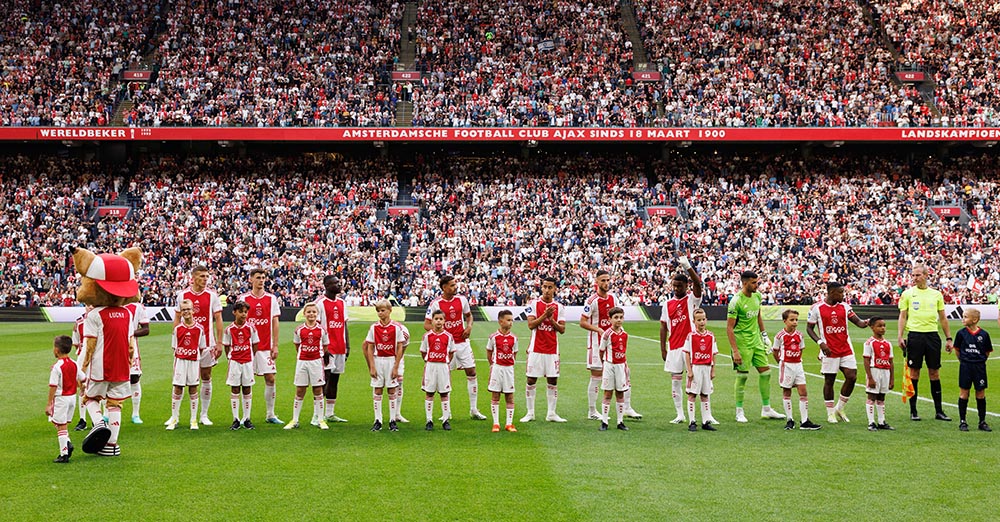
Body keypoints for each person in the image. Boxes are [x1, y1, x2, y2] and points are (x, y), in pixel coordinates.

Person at [581, 270, 641, 421]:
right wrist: (599, 330)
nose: (606, 283)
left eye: (608, 280)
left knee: (626, 371)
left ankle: (627, 408)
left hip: (614, 345)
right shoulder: (591, 301)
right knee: (596, 376)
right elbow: (582, 322)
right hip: (596, 344)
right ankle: (592, 410)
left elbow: (617, 318)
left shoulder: (613, 299)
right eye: (603, 280)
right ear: (596, 282)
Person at [726, 271, 785, 422]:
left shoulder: (757, 296)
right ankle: (739, 411)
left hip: (757, 340)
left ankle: (766, 409)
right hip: (742, 342)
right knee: (743, 376)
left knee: (766, 373)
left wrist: (764, 336)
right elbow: (730, 328)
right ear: (745, 283)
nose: (756, 285)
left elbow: (758, 316)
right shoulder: (736, 302)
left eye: (757, 282)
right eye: (753, 283)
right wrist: (735, 350)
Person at [807, 282, 869, 424]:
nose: (843, 295)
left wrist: (868, 322)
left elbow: (859, 323)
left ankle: (839, 408)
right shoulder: (817, 308)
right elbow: (809, 328)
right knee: (829, 381)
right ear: (831, 292)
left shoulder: (845, 307)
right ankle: (830, 413)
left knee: (852, 377)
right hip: (829, 350)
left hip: (846, 348)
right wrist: (820, 343)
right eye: (840, 292)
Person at [424, 275, 485, 420]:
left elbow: (469, 316)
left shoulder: (462, 300)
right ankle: (447, 412)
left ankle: (474, 409)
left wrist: (469, 327)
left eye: (455, 284)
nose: (455, 287)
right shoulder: (436, 304)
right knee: (446, 376)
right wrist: (441, 333)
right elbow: (426, 324)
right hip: (446, 347)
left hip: (463, 343)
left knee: (471, 372)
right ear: (444, 287)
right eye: (451, 285)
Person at [897, 264, 952, 421]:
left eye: (918, 275)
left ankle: (939, 411)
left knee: (934, 372)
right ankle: (913, 411)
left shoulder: (936, 294)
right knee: (914, 372)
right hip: (915, 336)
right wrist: (900, 336)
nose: (915, 278)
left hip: (932, 336)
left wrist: (948, 338)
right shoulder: (907, 294)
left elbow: (942, 317)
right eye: (913, 275)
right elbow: (902, 316)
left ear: (926, 275)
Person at [173, 266, 223, 426]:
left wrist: (219, 342)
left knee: (206, 376)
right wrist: (176, 340)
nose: (205, 279)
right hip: (187, 346)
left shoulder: (212, 296)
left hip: (207, 344)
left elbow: (218, 319)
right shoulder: (183, 295)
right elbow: (177, 318)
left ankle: (204, 414)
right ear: (193, 278)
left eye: (207, 276)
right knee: (180, 381)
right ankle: (175, 416)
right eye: (202, 276)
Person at [660, 256, 704, 424]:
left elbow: (698, 284)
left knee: (697, 381)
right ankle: (680, 414)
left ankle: (705, 414)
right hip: (674, 347)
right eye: (675, 286)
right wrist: (663, 348)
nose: (677, 288)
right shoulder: (667, 304)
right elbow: (663, 326)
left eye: (680, 286)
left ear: (687, 286)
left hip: (692, 346)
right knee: (675, 382)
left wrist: (688, 266)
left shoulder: (692, 299)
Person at [239, 268, 283, 424]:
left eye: (263, 277)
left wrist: (275, 345)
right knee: (246, 382)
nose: (261, 280)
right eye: (258, 277)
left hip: (265, 347)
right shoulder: (243, 298)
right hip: (247, 348)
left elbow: (275, 323)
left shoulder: (271, 299)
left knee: (270, 378)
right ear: (251, 279)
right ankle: (246, 416)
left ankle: (270, 414)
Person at [522, 276, 568, 423]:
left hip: (552, 349)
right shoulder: (534, 304)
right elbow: (531, 325)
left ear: (555, 289)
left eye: (550, 287)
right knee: (531, 379)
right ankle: (530, 413)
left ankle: (551, 413)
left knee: (553, 380)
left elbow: (562, 329)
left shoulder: (559, 307)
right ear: (541, 287)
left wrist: (552, 319)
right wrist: (545, 315)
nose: (547, 290)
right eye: (545, 287)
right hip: (535, 348)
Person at [771, 310, 821, 430]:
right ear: (785, 321)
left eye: (796, 320)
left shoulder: (799, 335)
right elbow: (775, 351)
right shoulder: (780, 336)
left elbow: (801, 349)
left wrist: (797, 358)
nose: (795, 322)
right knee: (787, 391)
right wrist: (781, 362)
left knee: (803, 391)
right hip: (786, 365)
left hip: (798, 365)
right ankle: (790, 420)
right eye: (792, 320)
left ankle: (804, 421)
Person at [363, 300, 406, 432]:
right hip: (378, 360)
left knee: (392, 390)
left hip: (390, 360)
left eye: (383, 310)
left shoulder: (396, 328)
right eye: (378, 311)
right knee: (377, 389)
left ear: (390, 310)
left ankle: (392, 420)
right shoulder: (374, 328)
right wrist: (372, 366)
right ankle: (378, 420)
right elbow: (369, 347)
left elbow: (400, 347)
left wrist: (396, 366)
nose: (380, 313)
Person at [285, 303, 329, 430]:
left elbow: (325, 346)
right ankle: (295, 420)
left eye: (314, 312)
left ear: (317, 314)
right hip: (302, 362)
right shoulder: (299, 330)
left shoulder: (321, 330)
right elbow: (297, 345)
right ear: (304, 314)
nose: (311, 314)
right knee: (300, 390)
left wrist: (318, 354)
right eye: (308, 312)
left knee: (318, 390)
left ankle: (320, 419)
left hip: (316, 362)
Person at [166, 300, 206, 431]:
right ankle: (174, 418)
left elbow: (201, 347)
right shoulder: (177, 329)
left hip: (194, 361)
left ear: (193, 311)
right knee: (178, 388)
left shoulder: (200, 329)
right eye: (183, 310)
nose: (186, 312)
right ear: (181, 313)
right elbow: (174, 347)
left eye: (188, 309)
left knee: (193, 388)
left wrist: (192, 354)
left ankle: (193, 419)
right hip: (180, 361)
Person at [315, 275, 349, 423]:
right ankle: (317, 415)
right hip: (328, 348)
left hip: (340, 347)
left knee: (335, 379)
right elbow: (316, 327)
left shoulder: (342, 303)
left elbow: (344, 325)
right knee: (324, 380)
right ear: (327, 285)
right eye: (335, 283)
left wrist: (347, 345)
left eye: (338, 282)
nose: (338, 284)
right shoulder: (320, 303)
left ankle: (330, 413)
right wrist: (322, 349)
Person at [954, 309, 992, 432]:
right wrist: (964, 361)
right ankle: (963, 421)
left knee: (980, 393)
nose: (963, 319)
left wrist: (979, 361)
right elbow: (957, 350)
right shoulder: (961, 333)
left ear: (974, 320)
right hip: (965, 366)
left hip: (979, 367)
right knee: (964, 393)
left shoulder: (984, 335)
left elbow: (987, 352)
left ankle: (982, 421)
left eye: (965, 317)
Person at [47, 335, 84, 463]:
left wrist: (49, 403)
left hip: (61, 399)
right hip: (72, 398)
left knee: (60, 425)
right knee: (63, 425)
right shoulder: (74, 363)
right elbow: (82, 378)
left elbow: (53, 386)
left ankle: (64, 454)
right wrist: (82, 388)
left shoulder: (57, 367)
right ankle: (67, 444)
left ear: (57, 350)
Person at [223, 301, 258, 430]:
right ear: (234, 312)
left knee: (247, 388)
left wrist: (250, 357)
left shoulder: (251, 328)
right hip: (235, 362)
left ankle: (247, 418)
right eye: (241, 311)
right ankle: (236, 419)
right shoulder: (229, 329)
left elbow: (255, 344)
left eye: (245, 312)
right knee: (235, 389)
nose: (244, 314)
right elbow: (226, 346)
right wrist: (231, 357)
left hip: (247, 361)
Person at [421, 310, 456, 431]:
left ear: (444, 321)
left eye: (441, 319)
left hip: (443, 367)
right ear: (432, 321)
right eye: (436, 319)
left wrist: (445, 362)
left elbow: (451, 352)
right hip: (431, 366)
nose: (438, 321)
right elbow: (423, 351)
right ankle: (429, 420)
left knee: (444, 393)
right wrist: (430, 360)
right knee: (429, 393)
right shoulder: (427, 336)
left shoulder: (448, 336)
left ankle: (446, 420)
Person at [684, 309, 718, 432]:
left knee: (705, 394)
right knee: (692, 394)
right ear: (694, 321)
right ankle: (692, 422)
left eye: (703, 319)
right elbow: (687, 353)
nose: (702, 322)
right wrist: (689, 370)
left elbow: (714, 353)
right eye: (699, 320)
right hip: (696, 367)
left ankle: (706, 421)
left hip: (707, 368)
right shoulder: (691, 336)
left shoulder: (711, 336)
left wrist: (713, 370)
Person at [598, 307, 631, 432]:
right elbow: (601, 351)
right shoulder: (607, 334)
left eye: (621, 317)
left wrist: (625, 364)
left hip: (621, 366)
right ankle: (604, 421)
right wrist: (605, 363)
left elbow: (623, 351)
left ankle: (620, 421)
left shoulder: (625, 334)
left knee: (620, 392)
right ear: (610, 319)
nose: (619, 320)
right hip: (609, 365)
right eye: (616, 317)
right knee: (607, 393)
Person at [486, 310, 518, 432]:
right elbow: (489, 352)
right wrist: (492, 365)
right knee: (495, 395)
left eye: (512, 320)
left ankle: (509, 424)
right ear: (500, 321)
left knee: (510, 396)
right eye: (508, 320)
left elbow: (514, 353)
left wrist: (509, 363)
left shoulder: (514, 338)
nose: (511, 323)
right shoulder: (493, 337)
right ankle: (496, 423)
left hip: (508, 369)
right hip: (497, 368)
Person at [862, 317, 895, 431]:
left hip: (885, 371)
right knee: (872, 396)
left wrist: (892, 379)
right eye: (879, 326)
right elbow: (866, 360)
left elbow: (891, 361)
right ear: (872, 327)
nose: (882, 328)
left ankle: (881, 421)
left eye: (884, 325)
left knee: (881, 397)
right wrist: (870, 377)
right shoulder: (869, 343)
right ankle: (871, 422)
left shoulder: (888, 344)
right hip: (874, 370)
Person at [124, 299, 149, 424]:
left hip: (131, 348)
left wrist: (128, 334)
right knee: (110, 380)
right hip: (112, 348)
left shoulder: (137, 307)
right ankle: (106, 414)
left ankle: (135, 414)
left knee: (134, 378)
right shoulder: (109, 304)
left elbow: (146, 329)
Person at [71, 305, 94, 431]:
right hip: (82, 358)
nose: (89, 307)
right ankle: (82, 419)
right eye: (87, 305)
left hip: (97, 359)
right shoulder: (79, 323)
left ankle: (98, 420)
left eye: (91, 304)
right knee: (82, 387)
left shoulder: (100, 319)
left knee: (98, 387)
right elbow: (76, 343)